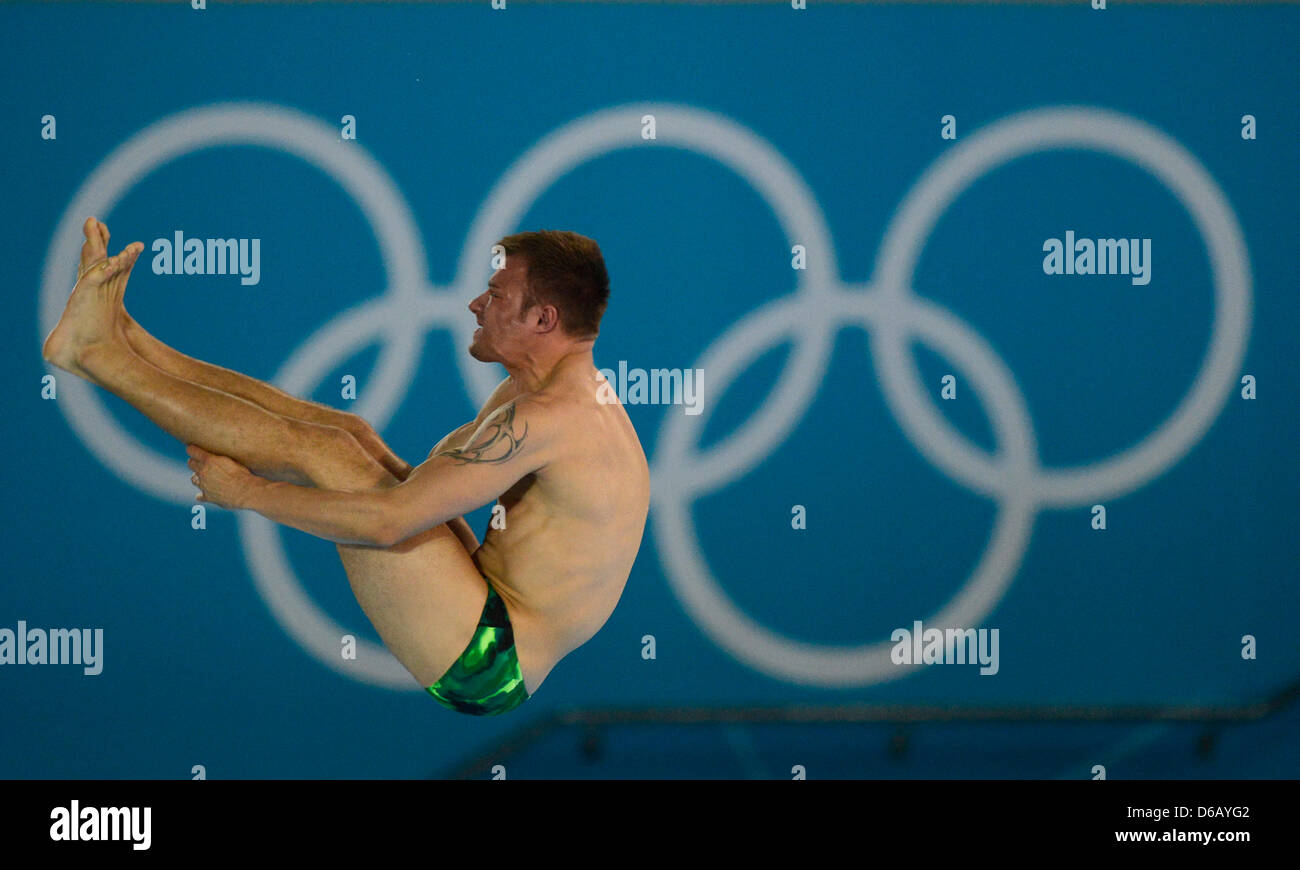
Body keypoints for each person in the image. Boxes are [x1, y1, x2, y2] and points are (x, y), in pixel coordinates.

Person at [43, 217, 650, 716]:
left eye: (494, 296)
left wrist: (249, 491)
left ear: (543, 319)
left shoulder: (550, 418)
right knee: (345, 434)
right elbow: (419, 484)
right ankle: (121, 334)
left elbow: (389, 521)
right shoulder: (541, 393)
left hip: (490, 659)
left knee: (325, 453)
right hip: (484, 603)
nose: (474, 303)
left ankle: (95, 356)